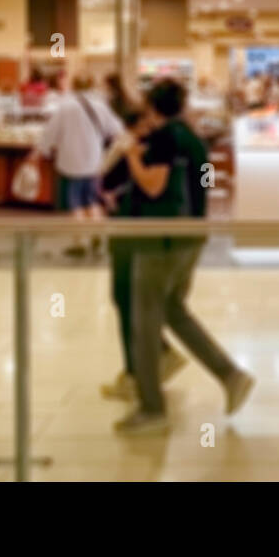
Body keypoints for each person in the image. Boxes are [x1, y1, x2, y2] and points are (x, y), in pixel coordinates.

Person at [113, 79, 255, 435]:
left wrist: (131, 155)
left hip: (159, 240)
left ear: (153, 107)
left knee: (144, 322)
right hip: (190, 237)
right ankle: (230, 375)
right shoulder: (193, 139)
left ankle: (152, 408)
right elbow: (204, 183)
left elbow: (153, 185)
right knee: (173, 310)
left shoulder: (164, 139)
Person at [99, 108, 186, 401]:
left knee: (126, 298)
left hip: (133, 230)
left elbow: (148, 185)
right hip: (131, 227)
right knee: (127, 299)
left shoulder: (148, 147)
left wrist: (129, 157)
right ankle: (145, 364)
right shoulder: (159, 142)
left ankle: (140, 374)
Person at [33, 73, 124, 256]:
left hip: (70, 162)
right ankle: (98, 236)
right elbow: (116, 131)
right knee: (92, 201)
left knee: (75, 205)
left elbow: (50, 134)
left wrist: (39, 153)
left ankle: (80, 243)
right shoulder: (101, 106)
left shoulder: (65, 107)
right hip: (94, 163)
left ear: (73, 86)